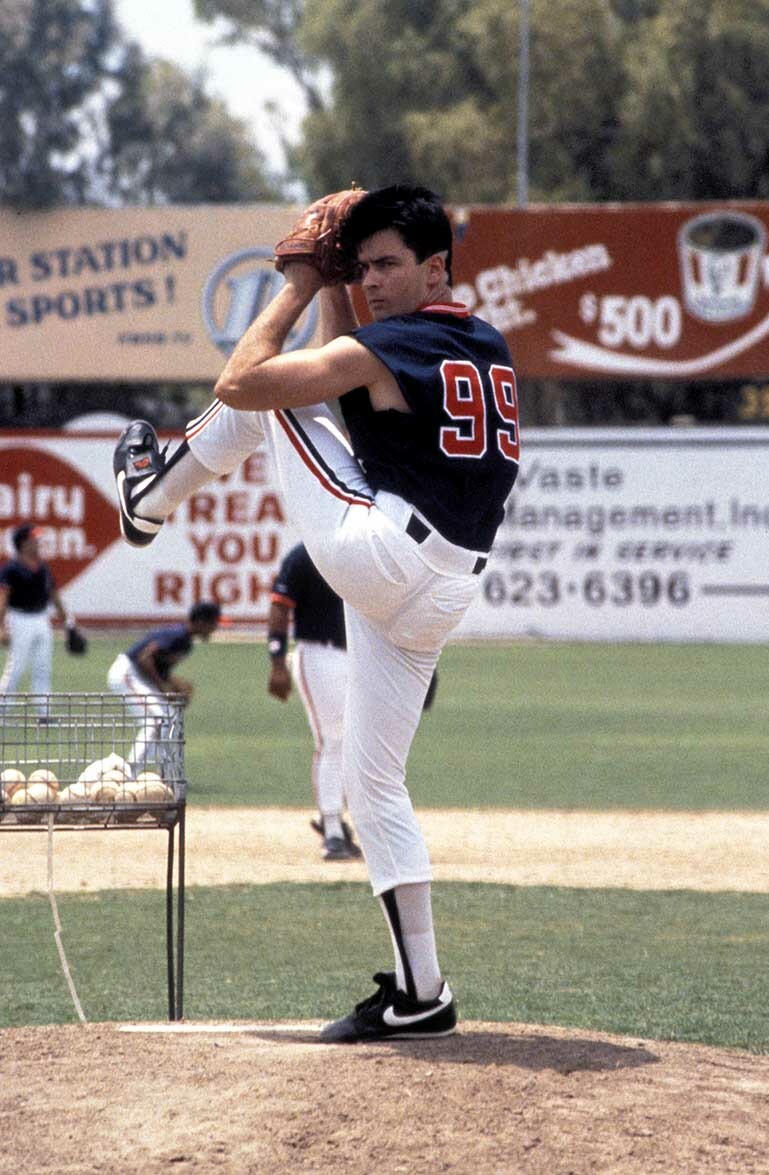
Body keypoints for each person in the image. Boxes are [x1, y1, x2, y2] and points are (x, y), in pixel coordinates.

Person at [112, 184, 520, 1042]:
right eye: (362, 264)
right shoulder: (480, 341)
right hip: (441, 590)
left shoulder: (405, 338)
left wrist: (297, 280)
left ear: (436, 266)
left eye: (387, 265)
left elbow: (246, 380)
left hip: (389, 557)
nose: (372, 279)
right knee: (373, 787)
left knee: (266, 402)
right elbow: (353, 370)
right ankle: (423, 990)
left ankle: (153, 494)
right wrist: (337, 283)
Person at [268, 541, 363, 862]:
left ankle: (337, 818)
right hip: (317, 653)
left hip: (360, 656)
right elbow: (280, 606)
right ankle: (333, 832)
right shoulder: (303, 555)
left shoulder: (357, 551)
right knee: (332, 740)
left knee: (357, 743)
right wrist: (277, 663)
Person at [107, 601, 222, 769]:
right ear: (201, 621)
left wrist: (175, 684)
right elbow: (144, 658)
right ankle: (130, 773)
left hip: (139, 676)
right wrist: (163, 688)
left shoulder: (186, 643)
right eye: (213, 623)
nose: (215, 627)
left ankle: (167, 774)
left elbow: (160, 669)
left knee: (169, 716)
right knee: (156, 719)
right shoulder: (177, 634)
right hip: (126, 674)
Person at [0, 524, 74, 718]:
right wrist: (1, 628)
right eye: (34, 539)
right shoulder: (11, 569)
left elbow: (54, 596)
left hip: (41, 618)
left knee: (43, 667)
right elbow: (2, 601)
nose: (38, 542)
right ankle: (1, 711)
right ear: (23, 543)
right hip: (19, 618)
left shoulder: (42, 568)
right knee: (16, 667)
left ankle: (44, 713)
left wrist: (68, 623)